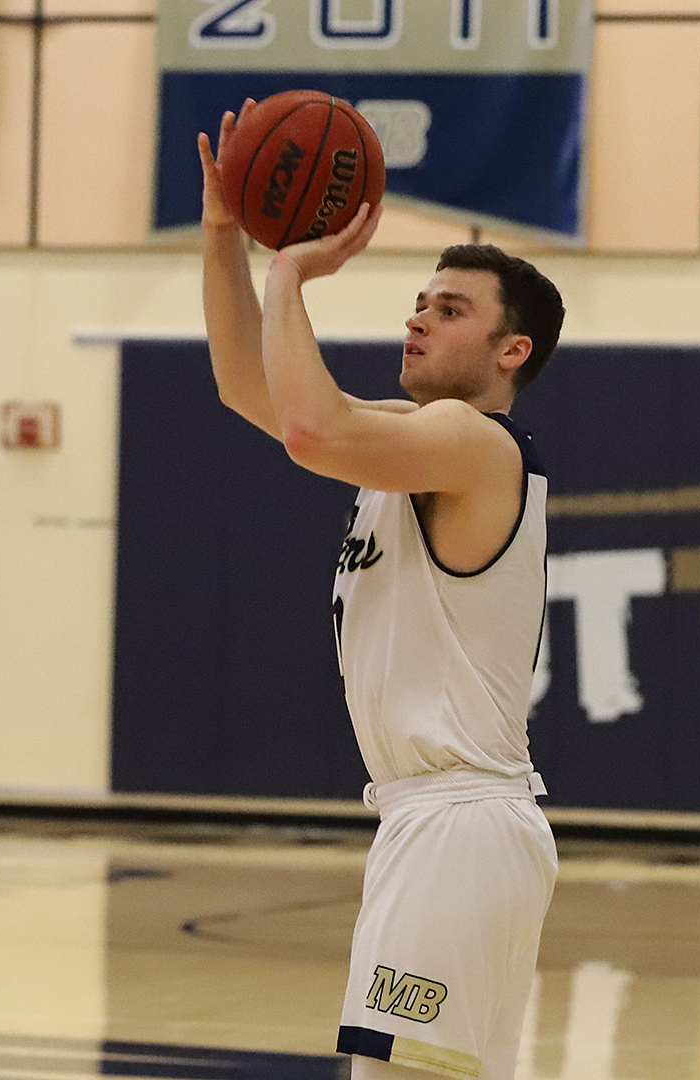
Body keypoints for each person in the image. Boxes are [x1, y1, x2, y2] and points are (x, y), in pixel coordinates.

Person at [197, 102, 568, 1080]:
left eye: (451, 309)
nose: (417, 315)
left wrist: (291, 269)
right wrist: (226, 233)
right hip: (445, 827)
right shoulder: (415, 447)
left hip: (458, 826)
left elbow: (311, 431)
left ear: (510, 352)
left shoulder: (470, 443)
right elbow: (249, 384)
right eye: (419, 298)